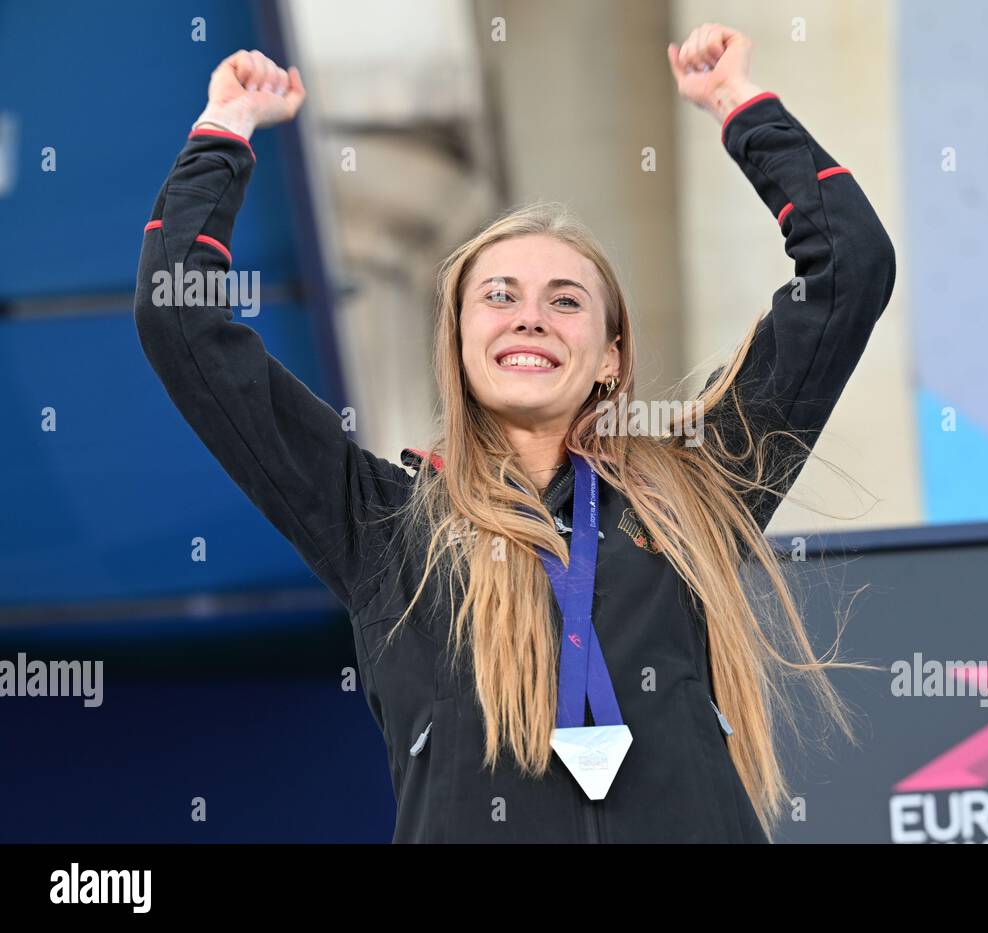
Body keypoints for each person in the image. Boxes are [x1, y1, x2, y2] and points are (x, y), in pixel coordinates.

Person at [135, 23, 896, 843]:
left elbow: (849, 268)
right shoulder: (381, 524)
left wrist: (742, 107)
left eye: (566, 300)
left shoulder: (695, 492)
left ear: (610, 356)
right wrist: (223, 133)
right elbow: (180, 321)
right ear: (459, 344)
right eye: (497, 296)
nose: (530, 316)